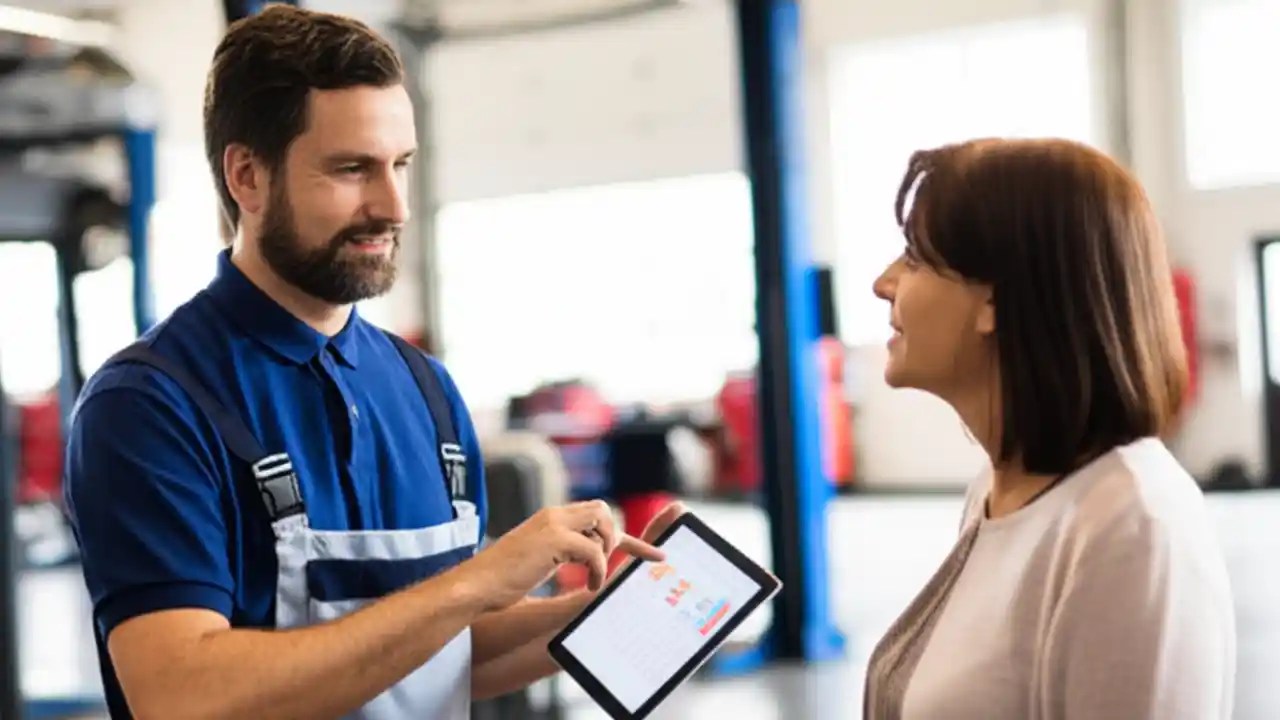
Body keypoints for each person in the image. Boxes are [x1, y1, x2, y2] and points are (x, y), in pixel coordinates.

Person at [62, 6, 684, 719]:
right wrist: (479, 579)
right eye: (352, 169)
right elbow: (182, 694)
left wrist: (593, 613)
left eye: (401, 166)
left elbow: (438, 650)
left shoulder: (426, 392)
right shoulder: (149, 405)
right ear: (247, 177)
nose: (392, 206)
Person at [862, 138, 1236, 719]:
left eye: (913, 258)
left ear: (996, 300)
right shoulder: (996, 492)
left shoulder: (1132, 528)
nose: (883, 284)